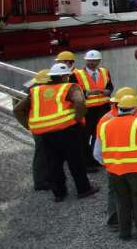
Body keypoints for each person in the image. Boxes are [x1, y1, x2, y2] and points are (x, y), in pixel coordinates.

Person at [13, 62, 97, 202]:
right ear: (65, 76)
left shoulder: (37, 91)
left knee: (54, 163)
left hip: (46, 133)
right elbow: (80, 103)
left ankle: (59, 194)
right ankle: (83, 189)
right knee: (75, 161)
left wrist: (30, 125)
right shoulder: (70, 87)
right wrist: (78, 119)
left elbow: (17, 110)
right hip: (68, 130)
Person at [95, 92, 137, 240]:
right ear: (133, 108)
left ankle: (124, 232)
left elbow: (97, 153)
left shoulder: (105, 125)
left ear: (119, 108)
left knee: (121, 200)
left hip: (115, 171)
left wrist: (110, 164)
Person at [102, 87, 137, 228]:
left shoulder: (105, 120)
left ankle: (120, 225)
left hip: (115, 167)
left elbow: (97, 149)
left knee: (119, 196)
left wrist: (109, 163)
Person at [75, 50, 114, 171]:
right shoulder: (77, 74)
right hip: (88, 110)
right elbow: (74, 91)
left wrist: (108, 91)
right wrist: (87, 93)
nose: (92, 63)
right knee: (85, 136)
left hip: (103, 108)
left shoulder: (104, 72)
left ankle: (95, 159)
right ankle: (86, 163)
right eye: (90, 60)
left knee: (99, 135)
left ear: (99, 61)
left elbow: (109, 86)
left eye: (95, 60)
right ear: (86, 60)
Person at [25, 69, 52, 191]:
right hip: (40, 128)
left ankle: (46, 177)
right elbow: (18, 110)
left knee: (46, 153)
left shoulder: (32, 90)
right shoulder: (35, 93)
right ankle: (40, 182)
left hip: (42, 127)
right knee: (41, 154)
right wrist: (28, 125)